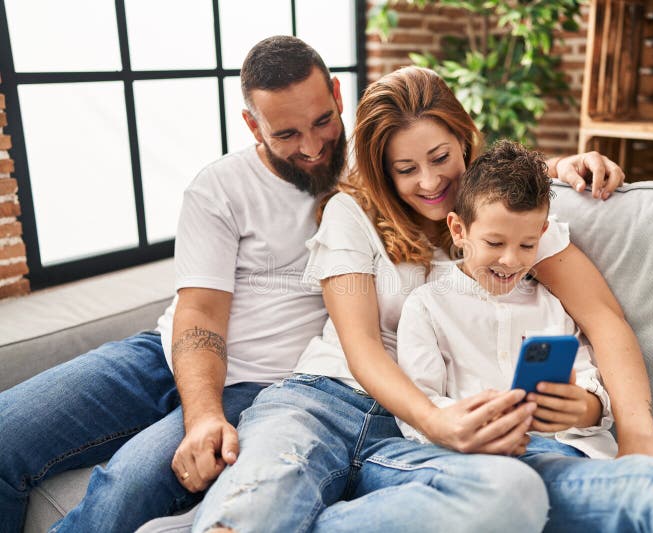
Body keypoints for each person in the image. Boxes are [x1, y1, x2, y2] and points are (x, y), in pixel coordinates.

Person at [0, 38, 621, 533]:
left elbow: (471, 172)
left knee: (130, 483)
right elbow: (201, 315)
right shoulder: (226, 188)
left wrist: (558, 168)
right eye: (286, 134)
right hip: (179, 357)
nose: (312, 146)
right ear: (251, 124)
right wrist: (203, 415)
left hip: (268, 384)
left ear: (337, 96)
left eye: (323, 123)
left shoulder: (374, 166)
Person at [191, 66, 653, 531]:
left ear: (464, 141)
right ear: (383, 171)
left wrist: (637, 438)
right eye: (406, 169)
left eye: (440, 158)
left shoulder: (506, 224)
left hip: (415, 436)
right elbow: (362, 351)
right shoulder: (351, 214)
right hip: (325, 400)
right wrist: (436, 420)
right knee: (249, 512)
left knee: (511, 494)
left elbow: (603, 320)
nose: (431, 182)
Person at [395, 139, 653, 531]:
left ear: (543, 233)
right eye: (494, 243)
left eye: (527, 244)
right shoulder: (427, 306)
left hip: (572, 456)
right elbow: (418, 412)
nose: (511, 260)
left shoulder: (551, 305)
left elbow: (590, 387)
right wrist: (474, 421)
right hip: (492, 466)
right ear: (458, 229)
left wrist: (586, 407)